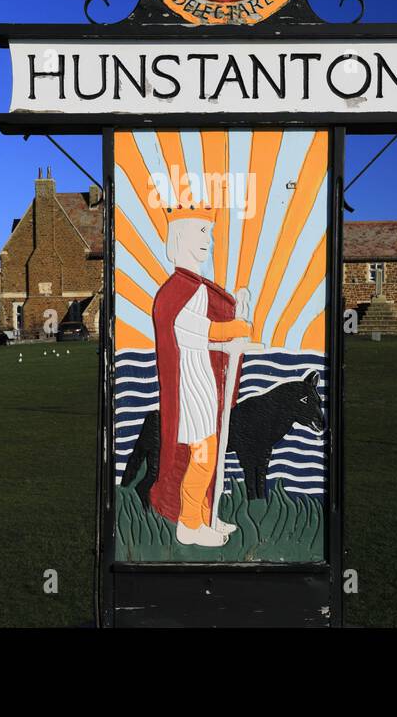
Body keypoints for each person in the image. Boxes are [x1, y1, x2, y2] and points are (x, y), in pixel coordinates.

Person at [149, 203, 251, 547]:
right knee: (203, 455)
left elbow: (202, 332)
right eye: (202, 232)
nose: (209, 240)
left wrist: (232, 334)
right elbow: (193, 330)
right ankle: (189, 524)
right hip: (188, 387)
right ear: (180, 237)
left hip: (201, 381)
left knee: (208, 454)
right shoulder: (176, 290)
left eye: (210, 232)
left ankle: (206, 515)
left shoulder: (195, 287)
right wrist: (234, 327)